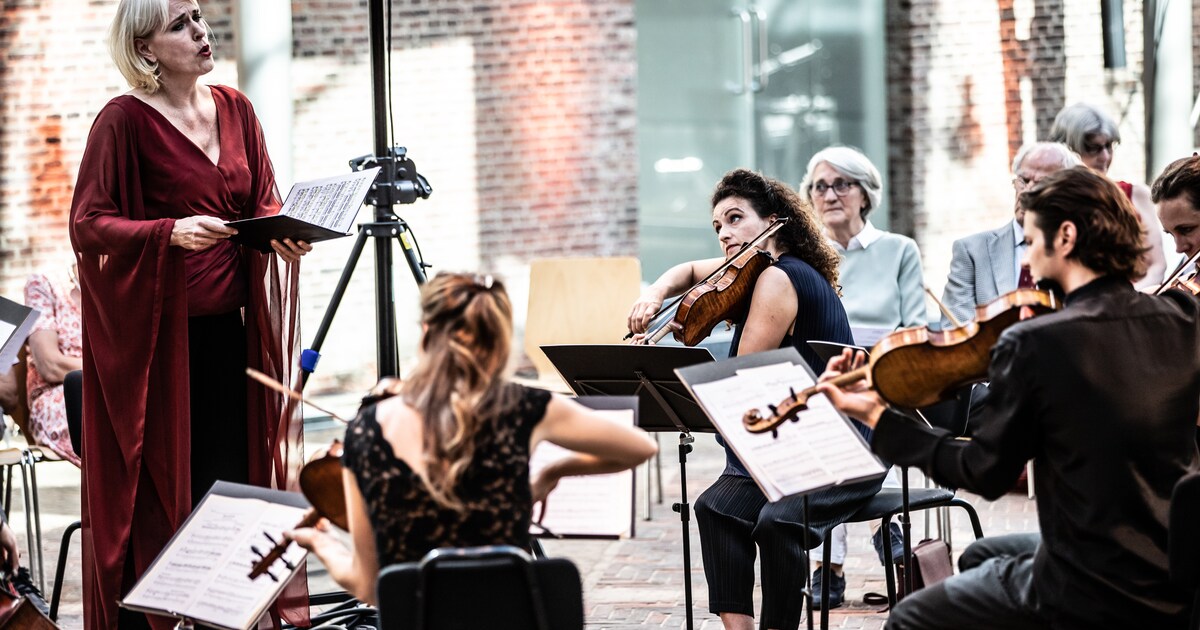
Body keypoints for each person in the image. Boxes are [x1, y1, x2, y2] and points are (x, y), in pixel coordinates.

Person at [818, 166, 1200, 629]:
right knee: (983, 554)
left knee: (911, 618)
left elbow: (985, 472)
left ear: (1065, 237)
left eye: (1033, 242)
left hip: (1087, 582)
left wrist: (880, 420)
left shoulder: (1039, 341)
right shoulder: (1183, 317)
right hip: (1173, 565)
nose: (1029, 262)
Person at [68, 1, 311, 628]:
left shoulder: (237, 109)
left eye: (199, 16)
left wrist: (283, 233)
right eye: (180, 24)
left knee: (229, 490)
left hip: (234, 337)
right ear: (146, 49)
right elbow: (89, 224)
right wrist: (168, 233)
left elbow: (261, 203)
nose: (201, 31)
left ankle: (225, 619)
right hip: (159, 347)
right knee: (161, 503)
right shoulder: (122, 122)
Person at [287, 272, 658, 603]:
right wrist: (553, 471)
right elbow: (641, 446)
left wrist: (322, 542)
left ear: (427, 334)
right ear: (499, 341)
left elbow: (368, 587)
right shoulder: (526, 406)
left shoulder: (365, 430)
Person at [628, 169, 882, 630]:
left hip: (838, 451)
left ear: (773, 222)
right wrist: (654, 293)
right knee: (714, 508)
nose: (724, 233)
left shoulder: (780, 278)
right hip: (789, 447)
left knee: (776, 522)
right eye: (717, 225)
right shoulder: (758, 270)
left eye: (734, 219)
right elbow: (686, 271)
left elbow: (738, 378)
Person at [800, 146, 925, 608]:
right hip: (824, 376)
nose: (831, 194)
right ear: (810, 198)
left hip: (887, 373)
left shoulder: (898, 249)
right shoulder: (805, 260)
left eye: (842, 184)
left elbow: (915, 325)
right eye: (820, 186)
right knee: (828, 411)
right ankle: (881, 524)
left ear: (864, 192)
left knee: (856, 413)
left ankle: (827, 567)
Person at [940, 142, 1080, 326]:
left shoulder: (1077, 251)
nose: (1026, 192)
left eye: (1041, 184)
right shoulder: (972, 252)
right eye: (1024, 180)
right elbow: (954, 333)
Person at [1049, 102, 1167, 289]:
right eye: (1093, 148)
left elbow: (1157, 266)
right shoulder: (1052, 205)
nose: (1105, 157)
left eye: (1108, 146)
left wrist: (1127, 299)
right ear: (1068, 148)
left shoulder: (1135, 195)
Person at [23, 265, 82, 465]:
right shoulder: (45, 283)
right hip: (58, 394)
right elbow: (50, 365)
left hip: (113, 389)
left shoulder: (124, 281)